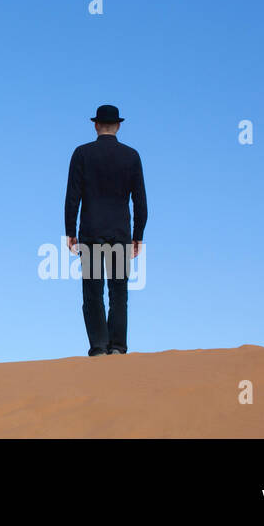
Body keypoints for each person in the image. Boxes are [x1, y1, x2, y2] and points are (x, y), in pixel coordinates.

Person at [64, 105, 148, 356]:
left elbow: (72, 197)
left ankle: (99, 346)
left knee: (92, 291)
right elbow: (140, 201)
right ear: (118, 126)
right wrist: (138, 236)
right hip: (121, 233)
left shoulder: (82, 153)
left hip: (90, 232)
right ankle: (118, 347)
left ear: (96, 125)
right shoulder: (131, 156)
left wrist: (70, 231)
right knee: (118, 291)